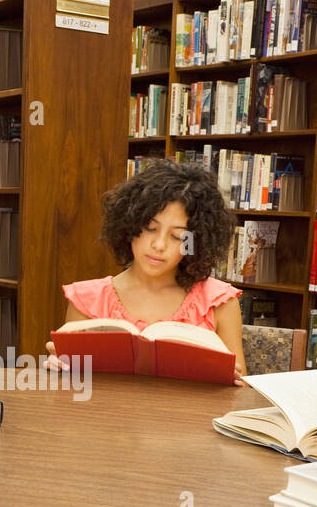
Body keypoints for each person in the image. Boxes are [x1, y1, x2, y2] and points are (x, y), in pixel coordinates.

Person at [45, 159, 247, 383]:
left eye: (177, 236)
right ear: (130, 225)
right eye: (150, 228)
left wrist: (234, 380)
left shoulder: (219, 302)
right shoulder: (86, 300)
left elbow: (241, 392)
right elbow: (73, 392)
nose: (159, 245)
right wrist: (60, 370)